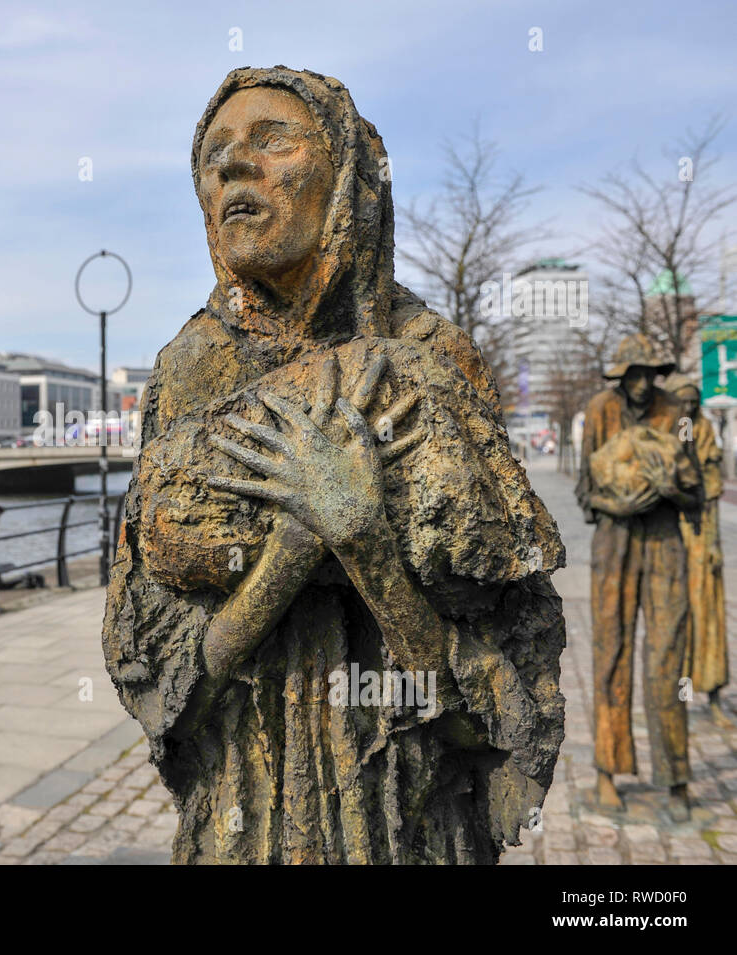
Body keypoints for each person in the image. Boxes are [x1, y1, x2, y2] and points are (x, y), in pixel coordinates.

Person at [103, 67, 566, 864]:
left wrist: (366, 545)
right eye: (213, 154)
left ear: (349, 172)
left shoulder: (433, 359)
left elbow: (495, 708)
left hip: (413, 823)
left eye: (270, 139)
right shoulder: (190, 371)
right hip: (246, 827)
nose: (231, 166)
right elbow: (169, 689)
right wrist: (287, 553)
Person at [575, 335, 703, 821]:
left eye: (650, 373)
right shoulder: (598, 410)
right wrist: (618, 503)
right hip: (614, 541)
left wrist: (674, 490)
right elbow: (585, 493)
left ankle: (676, 778)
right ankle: (607, 771)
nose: (643, 383)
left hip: (666, 542)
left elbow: (698, 488)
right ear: (620, 376)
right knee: (611, 650)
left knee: (669, 657)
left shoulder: (679, 412)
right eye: (634, 374)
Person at [662, 373, 731, 728]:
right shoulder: (665, 433)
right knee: (678, 621)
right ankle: (682, 694)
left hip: (702, 544)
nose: (687, 409)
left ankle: (715, 693)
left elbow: (711, 491)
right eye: (681, 402)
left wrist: (714, 545)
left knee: (711, 619)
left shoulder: (700, 431)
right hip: (673, 547)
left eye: (692, 402)